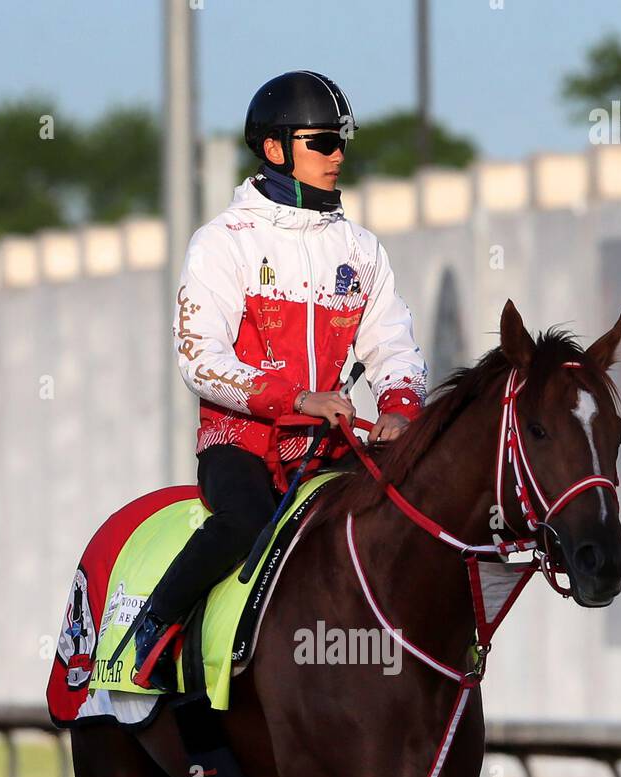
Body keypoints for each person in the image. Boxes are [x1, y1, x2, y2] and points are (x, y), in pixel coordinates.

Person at [134, 69, 428, 691]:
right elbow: (199, 358)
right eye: (322, 142)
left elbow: (394, 346)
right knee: (246, 525)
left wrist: (401, 404)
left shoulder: (363, 249)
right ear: (275, 149)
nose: (338, 155)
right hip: (238, 446)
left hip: (332, 447)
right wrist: (295, 397)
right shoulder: (221, 243)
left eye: (342, 141)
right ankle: (153, 630)